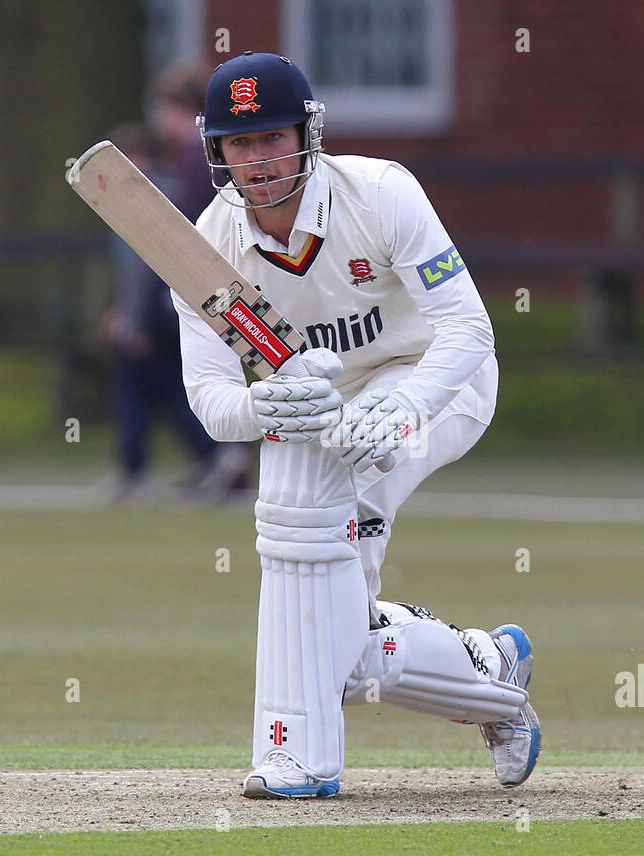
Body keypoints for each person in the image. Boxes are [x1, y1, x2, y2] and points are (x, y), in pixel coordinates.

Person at [170, 52, 539, 798]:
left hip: (439, 384)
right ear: (219, 153)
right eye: (242, 144)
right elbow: (212, 397)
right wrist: (260, 407)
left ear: (307, 134)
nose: (261, 161)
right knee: (333, 653)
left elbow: (468, 330)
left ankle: (466, 682)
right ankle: (490, 669)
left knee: (328, 621)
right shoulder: (206, 248)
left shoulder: (380, 193)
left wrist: (405, 406)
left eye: (274, 138)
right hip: (322, 414)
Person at [100, 63, 253, 502]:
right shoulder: (203, 159)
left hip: (188, 292)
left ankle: (219, 457)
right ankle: (217, 460)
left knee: (171, 377)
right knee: (168, 378)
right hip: (201, 291)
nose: (159, 121)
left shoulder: (194, 161)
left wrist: (141, 312)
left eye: (165, 109)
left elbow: (173, 238)